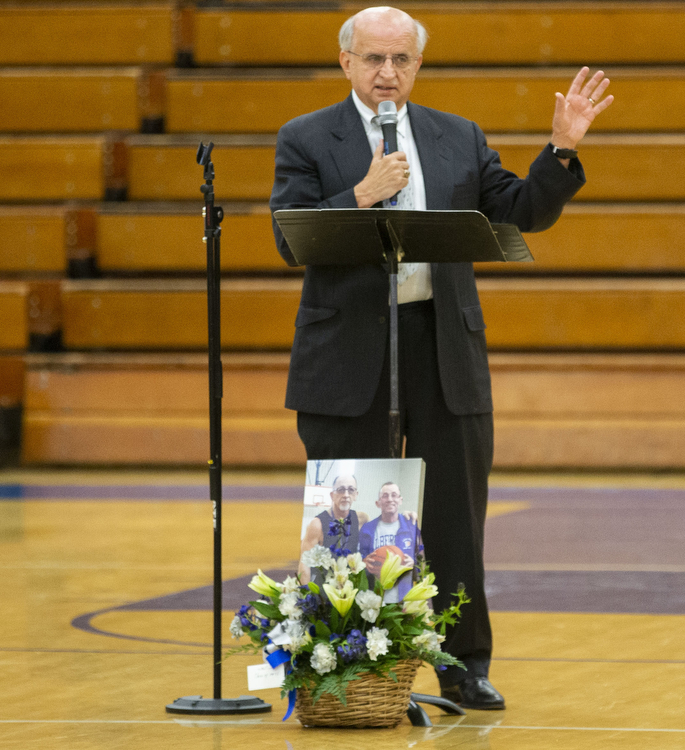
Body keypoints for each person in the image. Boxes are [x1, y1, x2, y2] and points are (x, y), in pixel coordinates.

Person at [270, 5, 612, 710]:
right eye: (374, 60)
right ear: (347, 62)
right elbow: (290, 240)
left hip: (441, 347)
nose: (388, 74)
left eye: (402, 61)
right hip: (349, 354)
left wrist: (560, 150)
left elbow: (519, 210)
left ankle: (463, 667)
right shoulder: (306, 137)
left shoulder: (457, 136)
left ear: (418, 65)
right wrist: (360, 195)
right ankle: (336, 670)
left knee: (456, 518)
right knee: (349, 520)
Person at [298, 474, 366, 584]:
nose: (346, 495)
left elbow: (381, 524)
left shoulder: (361, 519)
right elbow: (304, 565)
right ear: (332, 495)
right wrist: (305, 595)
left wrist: (404, 516)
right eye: (341, 490)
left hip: (350, 587)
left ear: (356, 495)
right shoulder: (317, 524)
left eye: (351, 490)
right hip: (325, 590)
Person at [359, 481, 422, 601]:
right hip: (374, 597)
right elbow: (359, 559)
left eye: (394, 495)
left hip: (403, 598)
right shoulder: (367, 529)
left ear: (400, 500)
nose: (389, 499)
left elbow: (422, 559)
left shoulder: (411, 526)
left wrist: (413, 564)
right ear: (378, 503)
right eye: (385, 496)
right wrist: (364, 562)